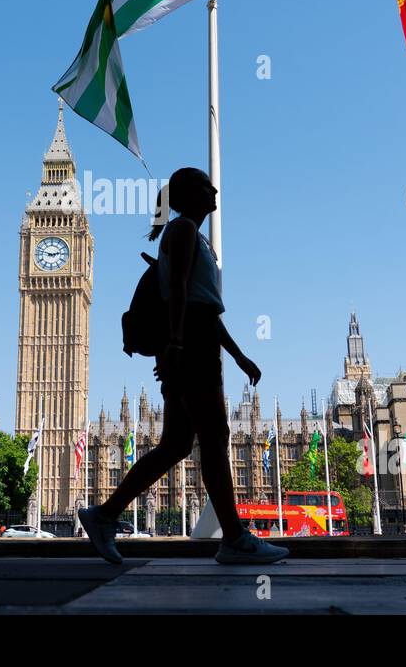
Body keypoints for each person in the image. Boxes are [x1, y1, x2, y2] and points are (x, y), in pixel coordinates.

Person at [78, 167, 289, 565]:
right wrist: (175, 344)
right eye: (206, 185)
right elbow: (177, 292)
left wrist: (239, 355)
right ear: (190, 195)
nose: (214, 190)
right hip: (191, 345)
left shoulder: (194, 235)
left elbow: (204, 307)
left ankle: (104, 515)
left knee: (176, 444)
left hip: (194, 339)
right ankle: (234, 538)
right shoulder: (185, 231)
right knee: (214, 436)